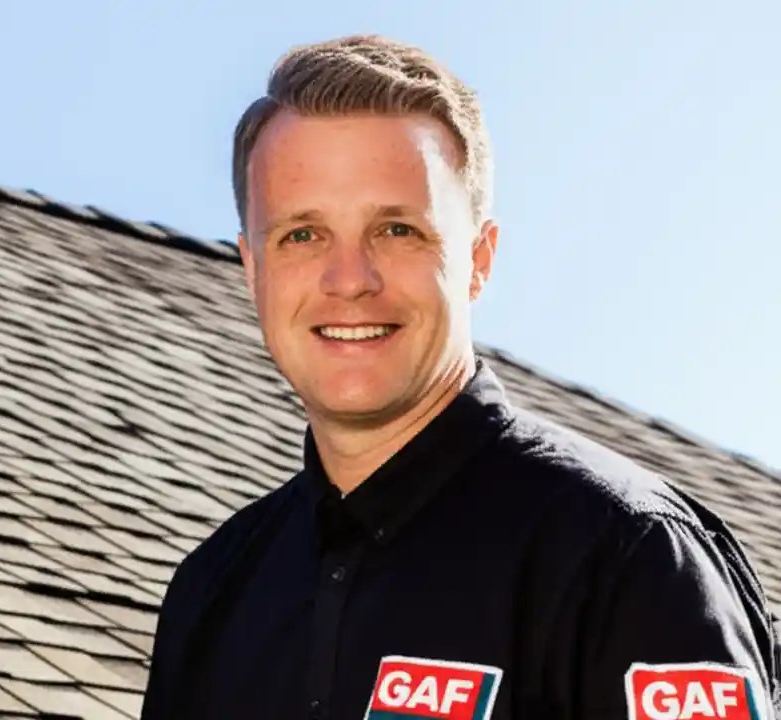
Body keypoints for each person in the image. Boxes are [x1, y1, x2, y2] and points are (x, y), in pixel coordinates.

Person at [140, 34, 780, 720]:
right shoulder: (213, 591)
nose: (350, 279)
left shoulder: (629, 555)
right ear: (252, 268)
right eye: (302, 234)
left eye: (397, 231)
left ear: (479, 258)